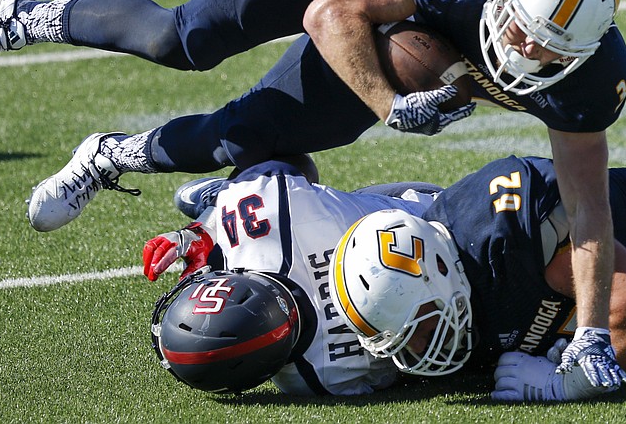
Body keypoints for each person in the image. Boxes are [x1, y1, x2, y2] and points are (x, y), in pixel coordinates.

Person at [0, 0, 626, 387]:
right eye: (520, 29)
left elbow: (588, 207)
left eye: (549, 48)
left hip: (408, 56)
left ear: (588, 46)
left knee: (241, 136)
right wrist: (391, 106)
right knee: (181, 39)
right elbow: (332, 11)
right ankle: (14, 17)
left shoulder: (594, 80)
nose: (525, 50)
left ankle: (109, 155)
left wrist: (592, 334)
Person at [329, 155, 626, 401]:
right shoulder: (452, 282)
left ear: (439, 274)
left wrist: (564, 386)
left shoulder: (508, 239)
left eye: (418, 330)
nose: (417, 351)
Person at [143, 155, 442, 395]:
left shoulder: (321, 380)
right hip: (424, 255)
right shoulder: (324, 378)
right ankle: (219, 203)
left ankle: (217, 207)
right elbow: (295, 163)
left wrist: (204, 230)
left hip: (422, 222)